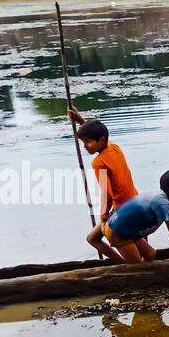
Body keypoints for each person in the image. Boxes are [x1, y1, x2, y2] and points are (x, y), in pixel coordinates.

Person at [99, 170, 169, 267]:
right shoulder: (164, 204)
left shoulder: (158, 196)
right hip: (118, 232)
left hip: (127, 228)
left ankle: (135, 266)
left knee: (150, 254)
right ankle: (129, 274)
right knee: (137, 267)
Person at [67, 106, 139, 254]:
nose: (85, 146)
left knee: (94, 238)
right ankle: (123, 263)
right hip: (135, 202)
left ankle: (126, 264)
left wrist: (104, 217)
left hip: (122, 210)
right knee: (92, 238)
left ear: (100, 141)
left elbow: (107, 193)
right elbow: (100, 134)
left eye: (88, 142)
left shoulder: (99, 162)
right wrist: (81, 120)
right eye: (83, 142)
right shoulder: (113, 147)